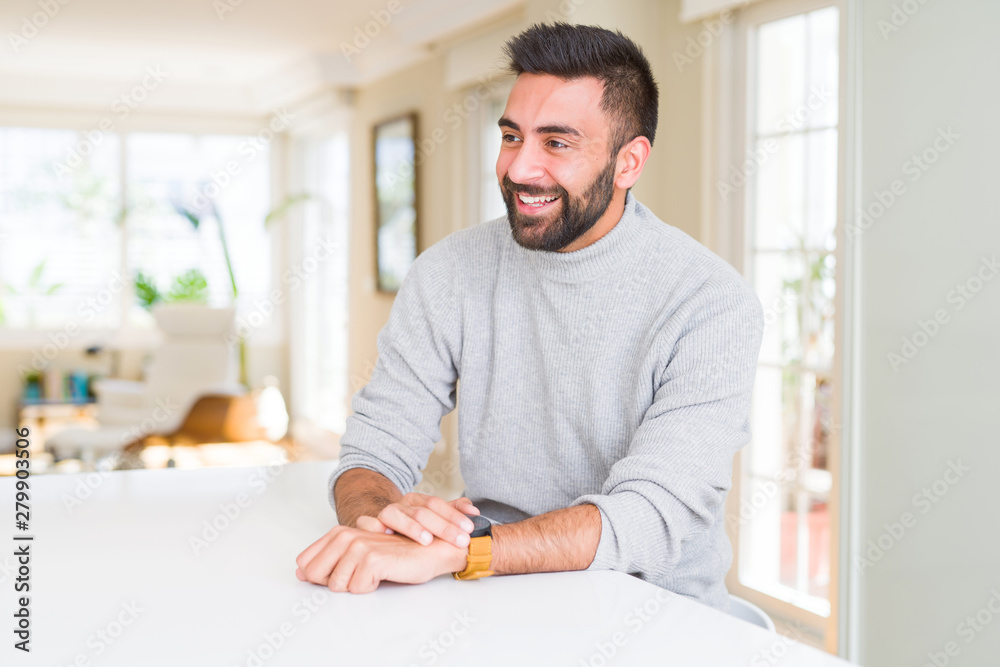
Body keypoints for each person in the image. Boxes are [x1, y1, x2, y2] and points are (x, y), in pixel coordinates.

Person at [295, 22, 764, 610]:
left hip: (658, 613)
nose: (519, 168)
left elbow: (651, 514)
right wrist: (374, 521)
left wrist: (467, 551)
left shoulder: (709, 302)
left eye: (557, 143)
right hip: (492, 598)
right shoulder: (448, 273)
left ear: (629, 162)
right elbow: (374, 449)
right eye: (512, 136)